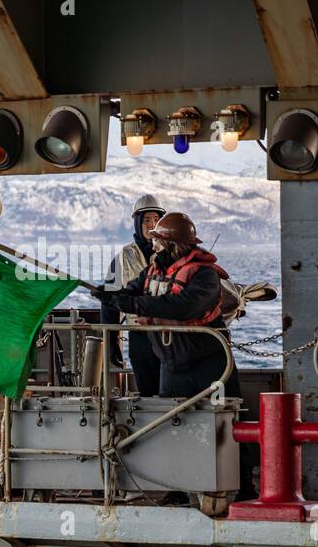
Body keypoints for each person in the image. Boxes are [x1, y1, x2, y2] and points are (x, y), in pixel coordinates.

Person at [98, 212, 255, 501]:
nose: (153, 244)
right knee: (171, 424)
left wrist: (136, 304)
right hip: (172, 364)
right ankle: (176, 489)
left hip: (210, 362)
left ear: (172, 244)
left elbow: (185, 305)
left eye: (157, 240)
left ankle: (243, 486)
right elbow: (132, 291)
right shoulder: (152, 271)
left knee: (227, 422)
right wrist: (112, 296)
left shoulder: (205, 275)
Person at [101, 194, 165, 395]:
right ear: (137, 223)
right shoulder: (122, 257)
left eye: (156, 220)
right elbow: (110, 302)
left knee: (171, 393)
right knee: (147, 392)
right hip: (139, 337)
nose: (152, 225)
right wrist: (111, 343)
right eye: (146, 220)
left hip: (169, 334)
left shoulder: (171, 253)